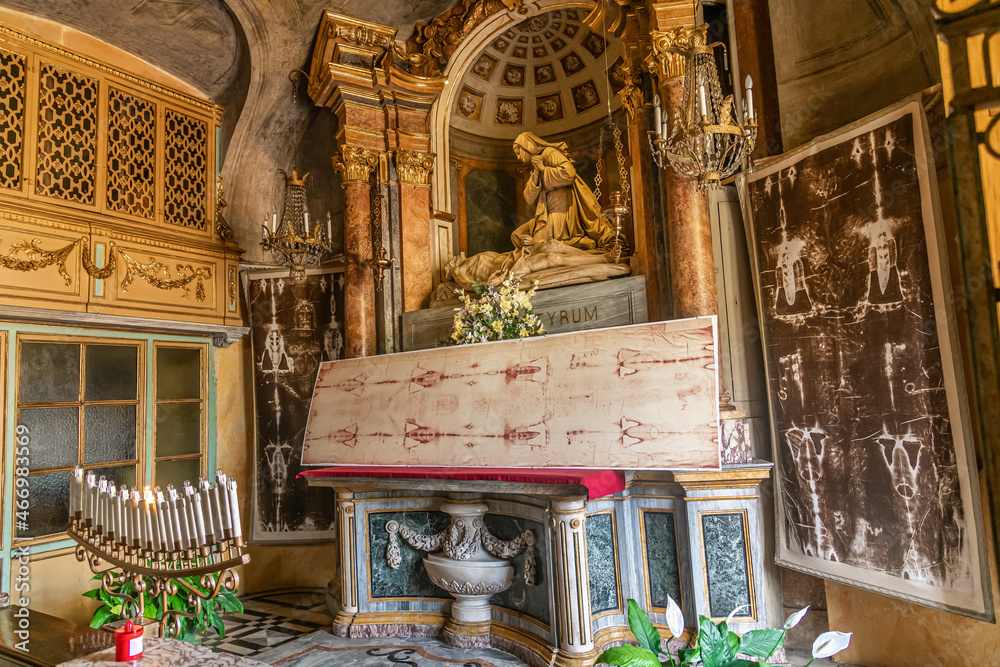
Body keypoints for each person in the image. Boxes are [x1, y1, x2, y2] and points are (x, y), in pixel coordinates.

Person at [441, 132, 625, 295]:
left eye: (519, 151)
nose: (518, 155)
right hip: (546, 211)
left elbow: (568, 174)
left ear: (527, 146)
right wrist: (537, 172)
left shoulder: (550, 154)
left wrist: (544, 169)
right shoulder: (535, 165)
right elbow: (529, 197)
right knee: (518, 235)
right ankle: (579, 253)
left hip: (561, 208)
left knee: (545, 247)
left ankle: (596, 257)